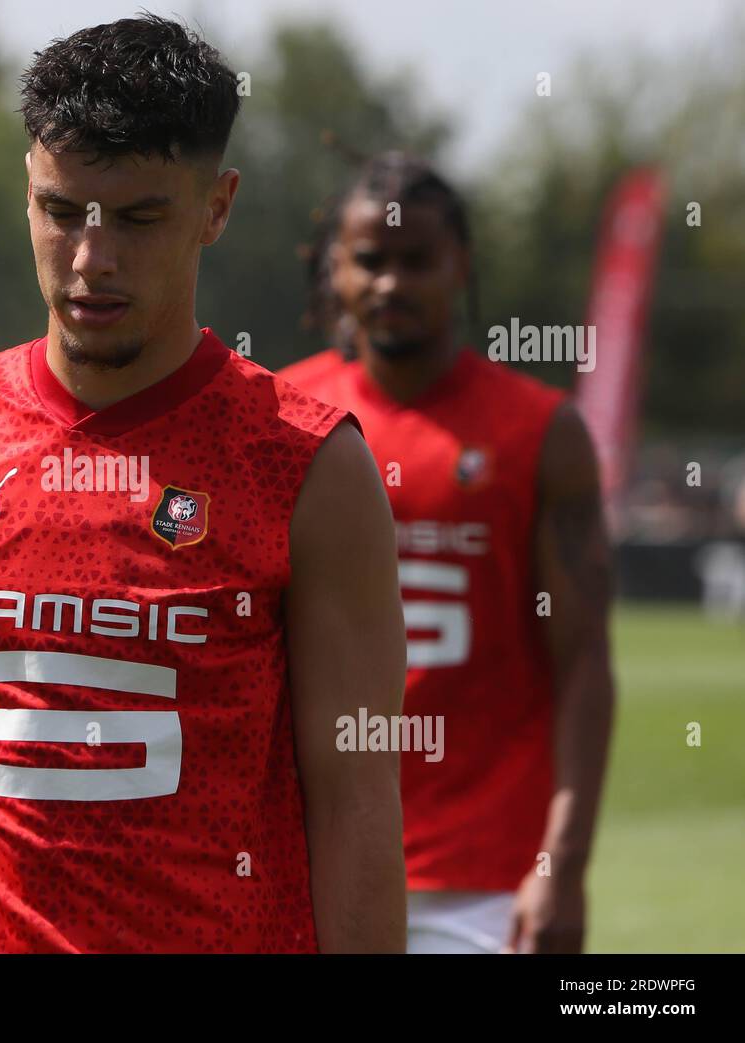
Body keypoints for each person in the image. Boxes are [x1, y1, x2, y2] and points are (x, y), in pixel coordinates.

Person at [0, 15, 406, 954]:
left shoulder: (309, 467)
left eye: (140, 218)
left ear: (217, 206)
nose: (91, 259)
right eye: (62, 210)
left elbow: (355, 794)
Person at [281, 152, 615, 953]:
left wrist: (561, 865)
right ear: (336, 269)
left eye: (416, 259)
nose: (392, 283)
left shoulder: (542, 432)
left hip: (485, 880)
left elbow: (584, 665)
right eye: (369, 260)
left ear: (461, 265)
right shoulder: (279, 417)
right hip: (309, 859)